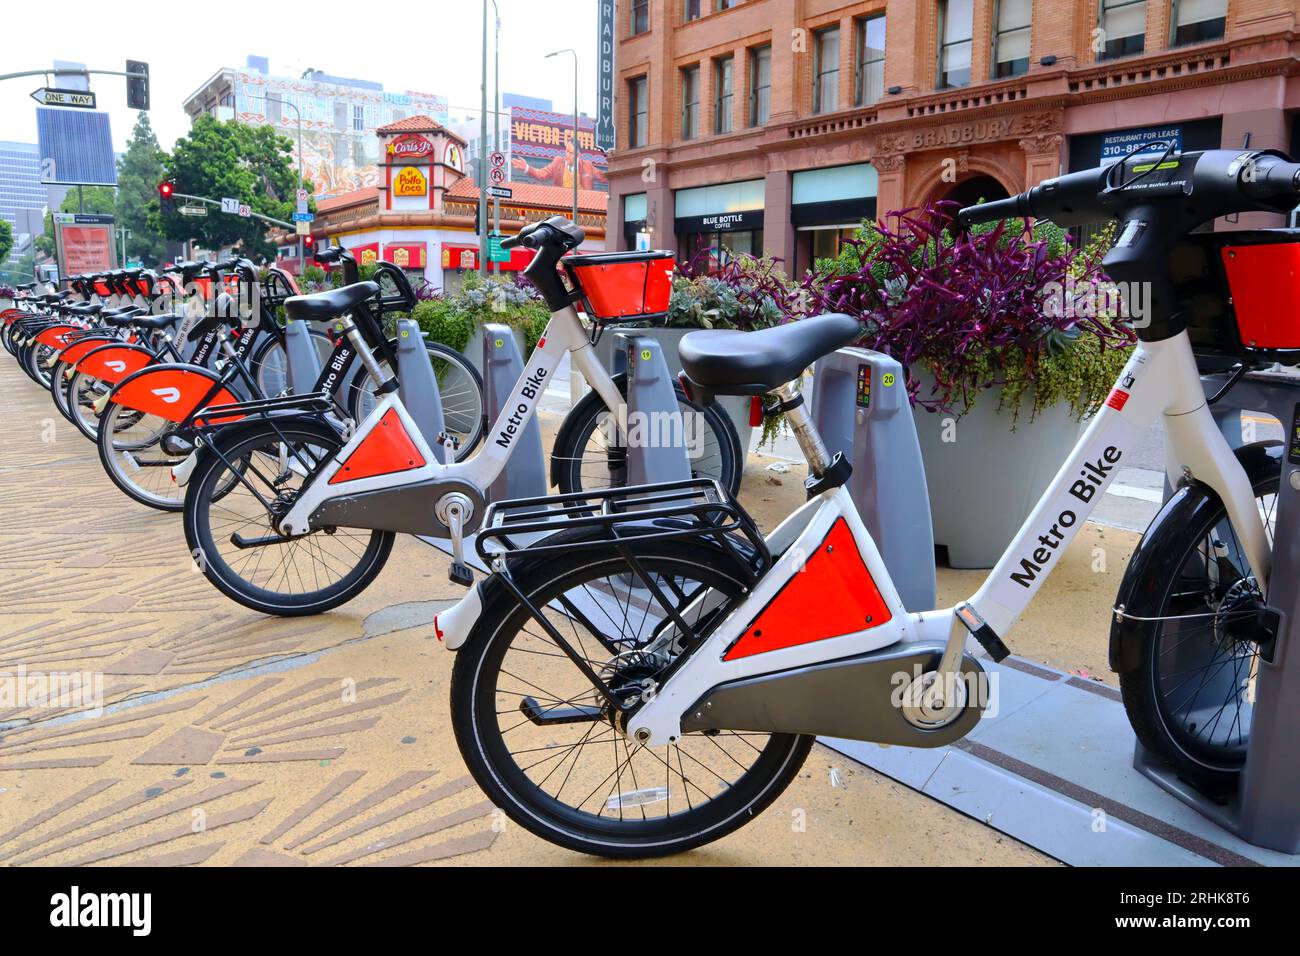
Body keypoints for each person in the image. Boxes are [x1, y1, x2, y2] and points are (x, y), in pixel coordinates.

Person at [512, 138, 609, 191]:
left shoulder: (587, 166)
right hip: (562, 203)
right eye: (566, 151)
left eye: (570, 153)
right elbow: (541, 174)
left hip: (582, 205)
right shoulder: (558, 162)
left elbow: (604, 177)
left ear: (578, 155)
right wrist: (526, 168)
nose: (567, 155)